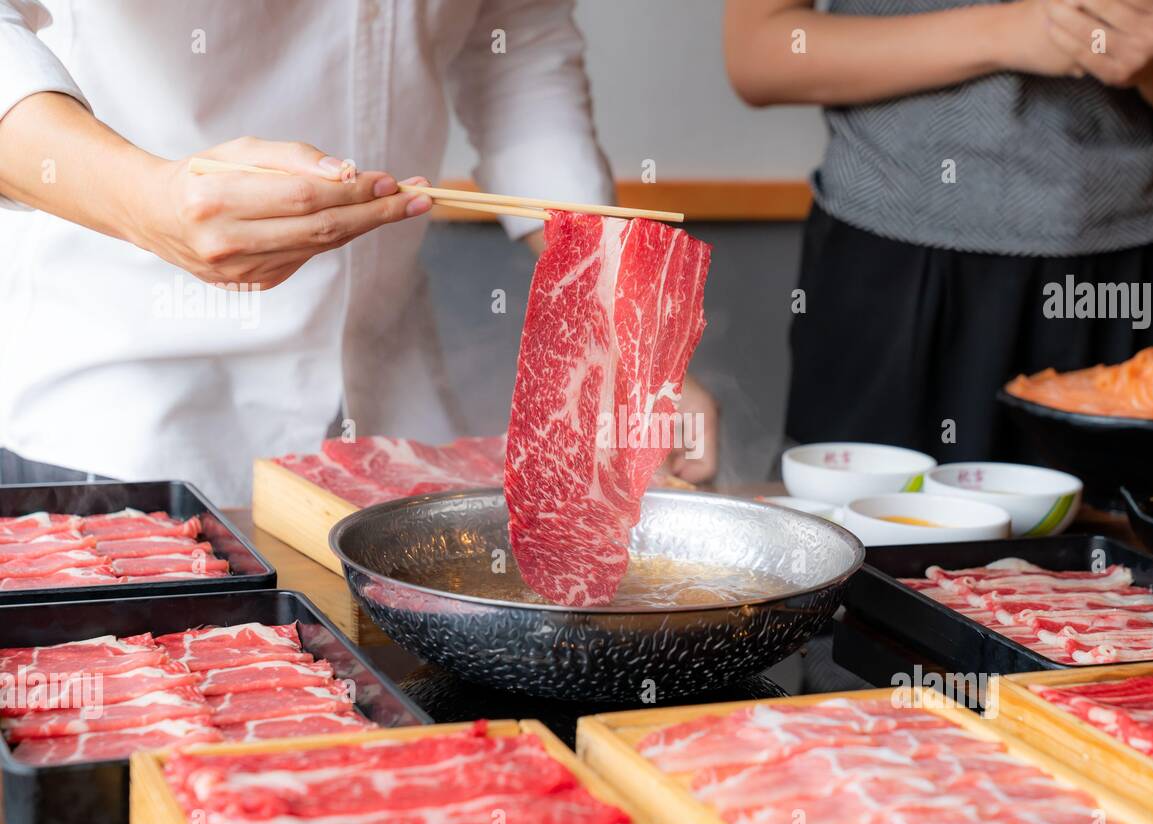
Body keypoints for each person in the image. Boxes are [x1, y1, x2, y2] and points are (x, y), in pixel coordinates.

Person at [0, 0, 717, 504]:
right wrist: (149, 201)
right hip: (120, 407)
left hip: (392, 411)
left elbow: (516, 51)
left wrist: (624, 313)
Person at [723, 0, 1153, 464]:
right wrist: (1010, 33)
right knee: (867, 564)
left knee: (1149, 571)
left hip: (1134, 272)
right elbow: (759, 52)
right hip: (893, 269)